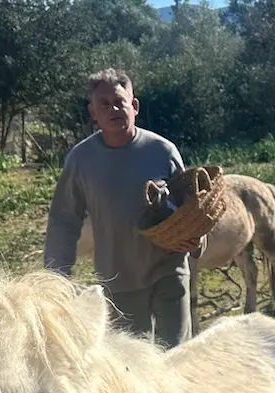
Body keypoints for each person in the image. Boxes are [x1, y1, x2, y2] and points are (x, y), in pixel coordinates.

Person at [43, 69, 199, 347]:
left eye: (119, 102)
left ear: (134, 106)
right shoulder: (81, 160)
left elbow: (191, 209)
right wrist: (57, 279)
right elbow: (64, 221)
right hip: (119, 282)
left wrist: (197, 240)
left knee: (177, 357)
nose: (113, 109)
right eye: (104, 104)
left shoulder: (163, 151)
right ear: (93, 112)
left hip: (169, 273)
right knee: (130, 362)